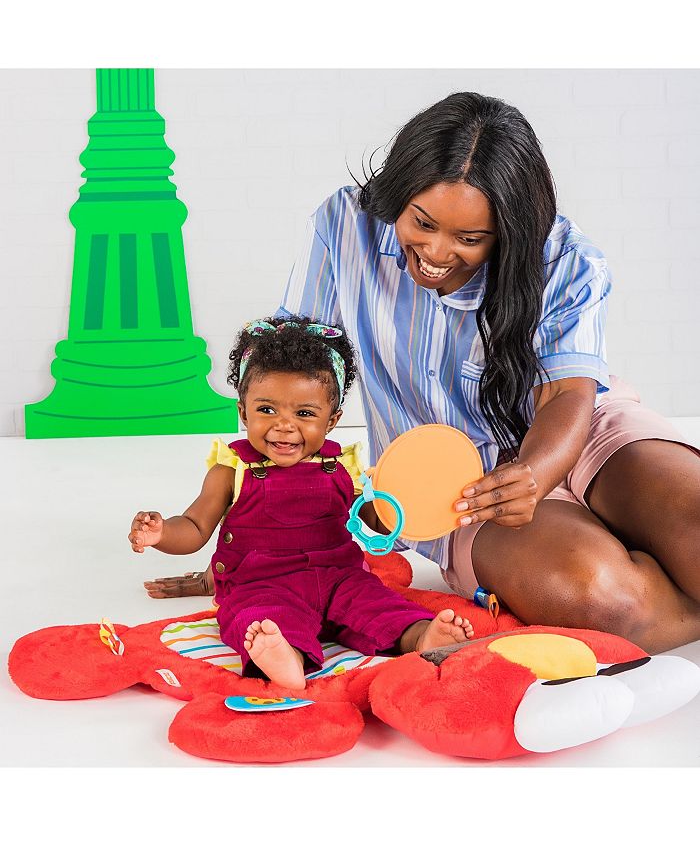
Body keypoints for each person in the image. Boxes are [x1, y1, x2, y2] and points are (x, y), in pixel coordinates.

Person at [145, 91, 700, 656]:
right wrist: (257, 555)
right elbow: (293, 370)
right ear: (400, 193)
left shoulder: (561, 256)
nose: (436, 252)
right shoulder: (346, 226)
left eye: (470, 238)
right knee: (607, 602)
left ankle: (658, 546)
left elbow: (566, 394)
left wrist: (534, 472)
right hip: (454, 491)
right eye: (423, 222)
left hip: (580, 433)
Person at [132, 316, 473, 689]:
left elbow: (376, 521)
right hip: (263, 584)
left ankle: (424, 637)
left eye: (305, 414)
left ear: (332, 420)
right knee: (262, 618)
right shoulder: (233, 469)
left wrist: (405, 498)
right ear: (243, 412)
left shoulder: (344, 465)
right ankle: (283, 657)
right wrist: (162, 533)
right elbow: (195, 527)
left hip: (341, 578)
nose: (284, 425)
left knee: (379, 605)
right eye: (267, 410)